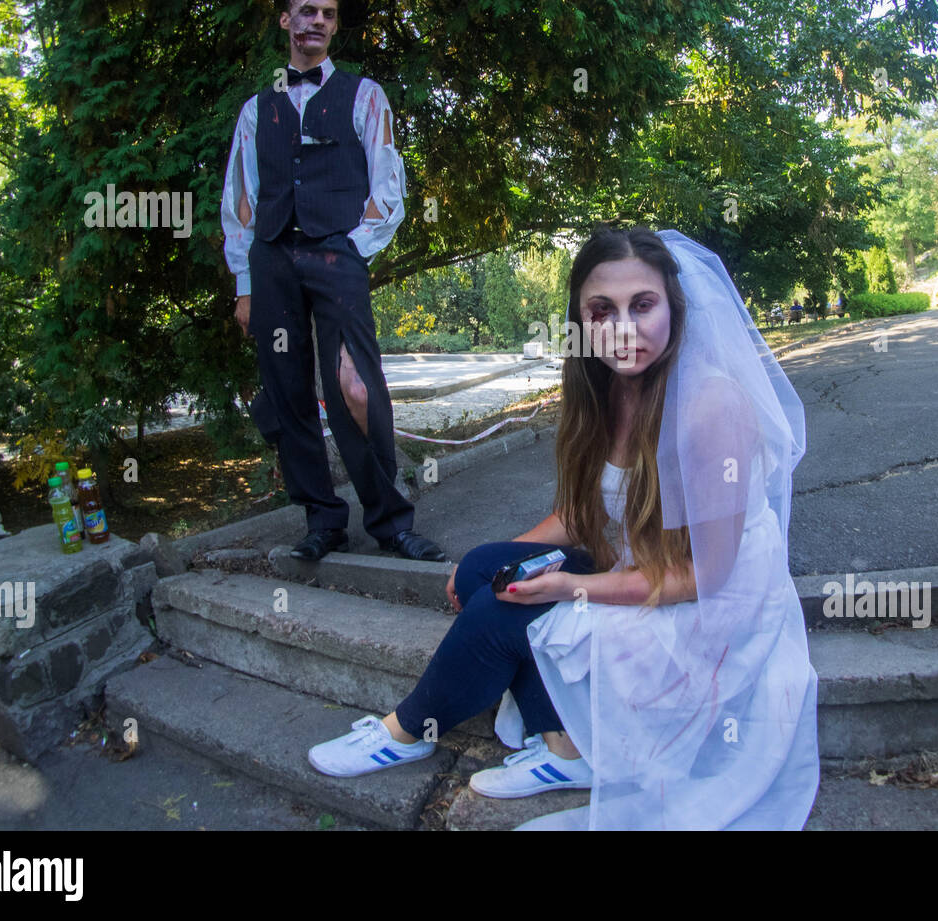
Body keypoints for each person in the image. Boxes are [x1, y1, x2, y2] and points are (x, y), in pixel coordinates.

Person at [307, 225, 821, 830]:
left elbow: (701, 577)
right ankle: (565, 749)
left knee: (511, 611)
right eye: (602, 311)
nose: (623, 328)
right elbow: (584, 512)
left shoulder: (711, 406)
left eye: (643, 305)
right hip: (642, 567)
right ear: (579, 321)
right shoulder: (606, 389)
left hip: (706, 611)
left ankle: (410, 730)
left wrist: (566, 588)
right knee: (484, 570)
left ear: (674, 308)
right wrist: (509, 555)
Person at [220, 0, 444, 563]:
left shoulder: (365, 95)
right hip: (270, 260)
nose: (316, 21)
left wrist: (352, 246)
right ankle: (323, 521)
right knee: (287, 393)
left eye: (327, 13)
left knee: (355, 387)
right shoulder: (255, 109)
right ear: (285, 21)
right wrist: (244, 283)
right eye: (306, 11)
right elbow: (239, 200)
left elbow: (388, 183)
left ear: (335, 26)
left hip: (336, 255)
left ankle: (391, 522)